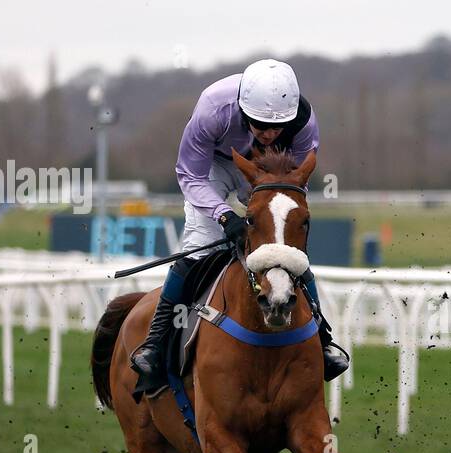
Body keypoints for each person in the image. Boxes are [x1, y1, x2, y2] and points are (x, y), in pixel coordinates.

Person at [129, 58, 350, 396]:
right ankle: (155, 345)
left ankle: (323, 340)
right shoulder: (213, 108)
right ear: (244, 111)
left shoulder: (304, 124)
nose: (269, 132)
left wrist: (274, 225)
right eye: (259, 124)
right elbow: (190, 174)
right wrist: (224, 216)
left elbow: (296, 185)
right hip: (212, 170)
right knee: (198, 248)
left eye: (276, 127)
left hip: (267, 174)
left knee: (287, 253)